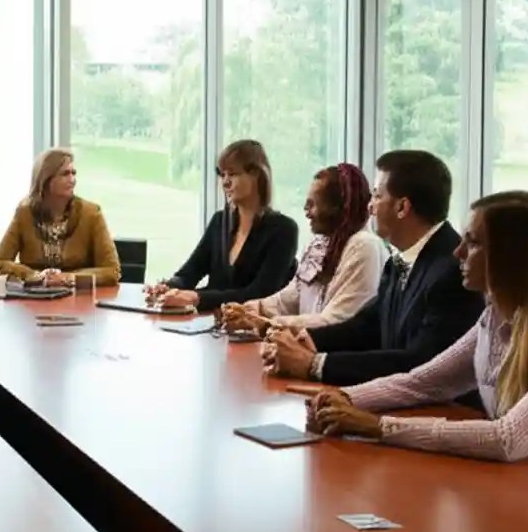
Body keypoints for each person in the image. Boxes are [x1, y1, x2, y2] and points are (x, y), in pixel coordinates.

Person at [304, 191, 528, 462]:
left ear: (511, 257)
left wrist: (377, 426)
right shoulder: (492, 319)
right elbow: (424, 383)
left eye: (472, 243)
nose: (457, 252)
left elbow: (507, 439)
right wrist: (343, 398)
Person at [263, 150, 484, 386]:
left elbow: (421, 363)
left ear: (402, 207)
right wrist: (305, 340)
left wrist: (315, 364)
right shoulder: (398, 260)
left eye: (377, 196)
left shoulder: (451, 270)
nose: (370, 207)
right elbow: (369, 325)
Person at [220, 163, 385, 333]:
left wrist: (267, 324)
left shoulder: (364, 246)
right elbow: (292, 296)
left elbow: (337, 320)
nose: (306, 211)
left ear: (337, 208)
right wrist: (251, 309)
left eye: (313, 204)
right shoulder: (320, 242)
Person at [147, 140, 298, 311]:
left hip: (253, 329)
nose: (225, 182)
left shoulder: (284, 230)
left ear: (256, 174)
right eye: (222, 175)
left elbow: (259, 293)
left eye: (232, 174)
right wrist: (169, 287)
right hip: (209, 324)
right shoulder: (219, 221)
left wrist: (196, 297)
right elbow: (190, 272)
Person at [0, 148, 119, 286]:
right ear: (45, 179)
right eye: (65, 174)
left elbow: (111, 271)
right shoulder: (25, 213)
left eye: (73, 173)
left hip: (78, 301)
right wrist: (32, 275)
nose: (72, 180)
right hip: (35, 300)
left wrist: (67, 277)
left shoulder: (91, 213)